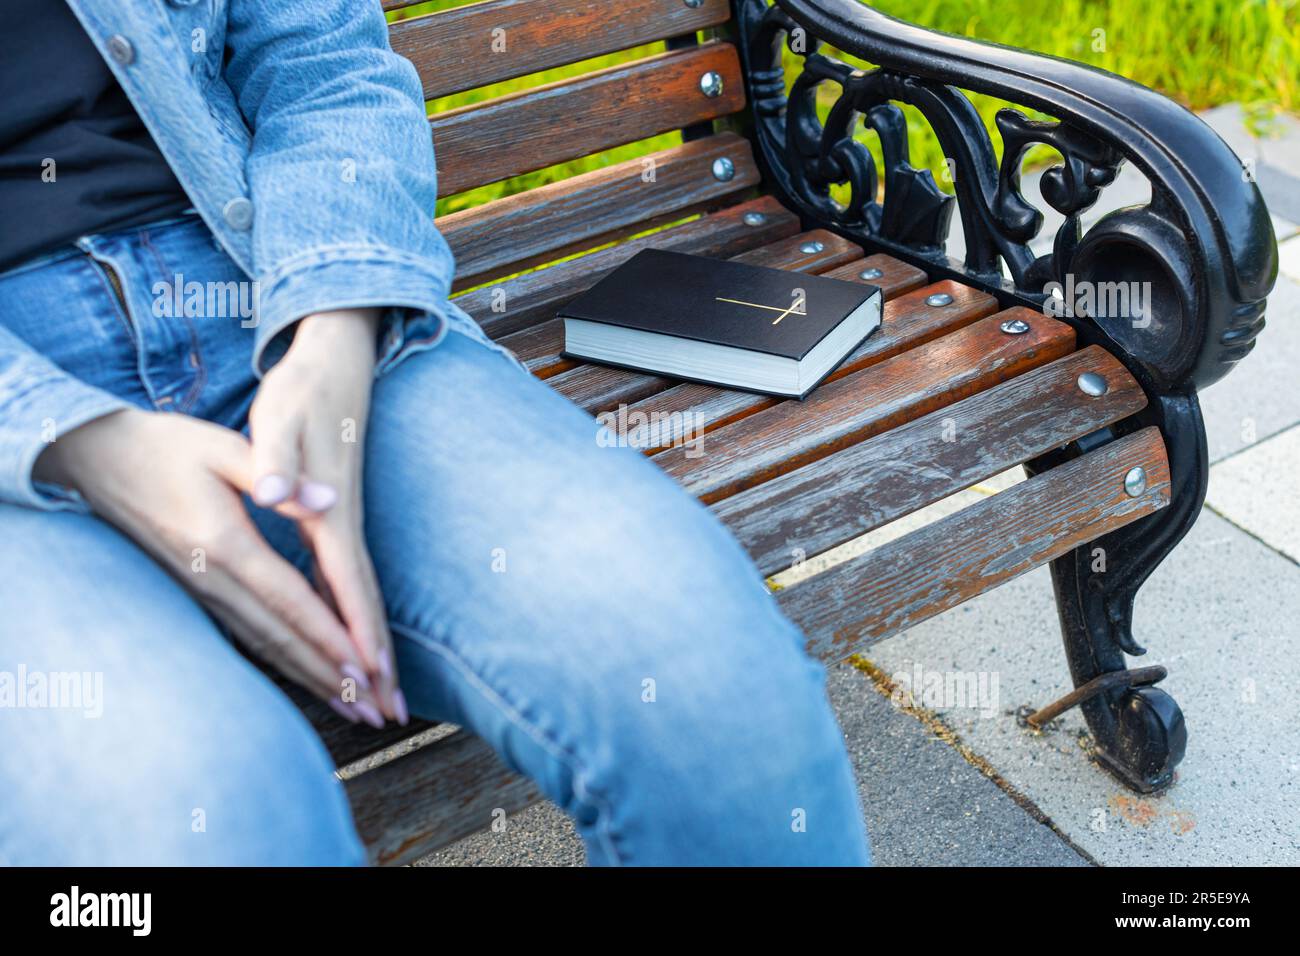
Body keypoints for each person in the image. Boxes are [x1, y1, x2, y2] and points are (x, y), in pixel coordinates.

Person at [0, 0, 870, 866]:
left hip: (276, 277)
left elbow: (324, 60)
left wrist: (336, 321)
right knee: (211, 824)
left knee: (718, 701)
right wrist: (71, 436)